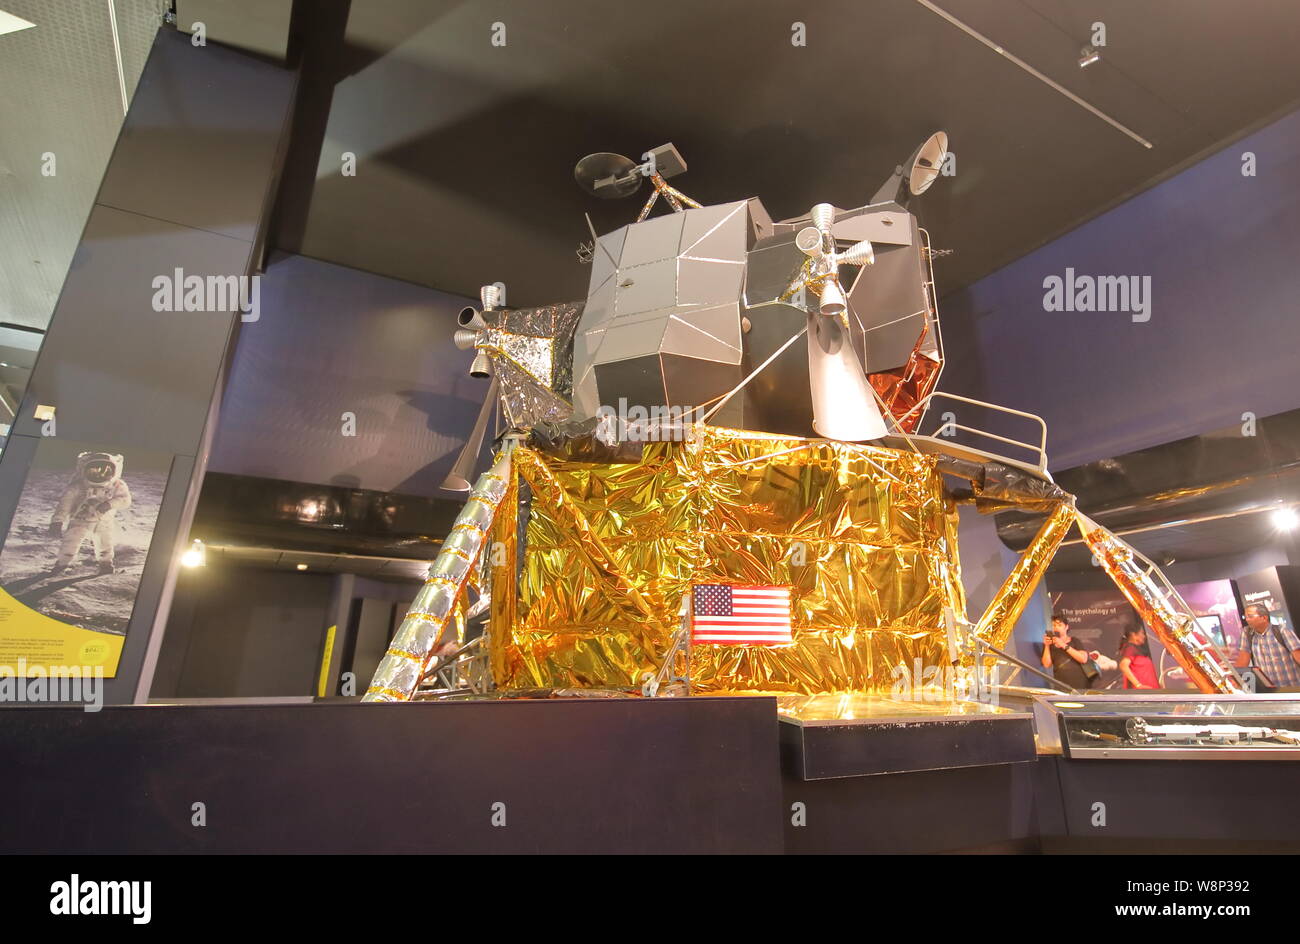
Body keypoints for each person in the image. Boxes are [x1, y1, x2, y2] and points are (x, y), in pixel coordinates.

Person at [1234, 603, 1300, 689]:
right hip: (1268, 691)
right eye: (1245, 617)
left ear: (1264, 618)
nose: (1247, 619)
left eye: (1250, 616)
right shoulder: (1247, 633)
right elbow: (1243, 660)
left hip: (1291, 687)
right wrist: (1234, 679)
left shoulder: (1282, 631)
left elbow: (1298, 656)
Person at [1040, 614, 1092, 689]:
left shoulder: (1074, 641)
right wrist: (1047, 645)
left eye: (1059, 625)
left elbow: (1083, 659)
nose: (1056, 628)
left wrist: (1063, 645)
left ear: (1066, 627)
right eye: (1054, 625)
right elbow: (1046, 664)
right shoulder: (1050, 645)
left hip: (1080, 684)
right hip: (1061, 685)